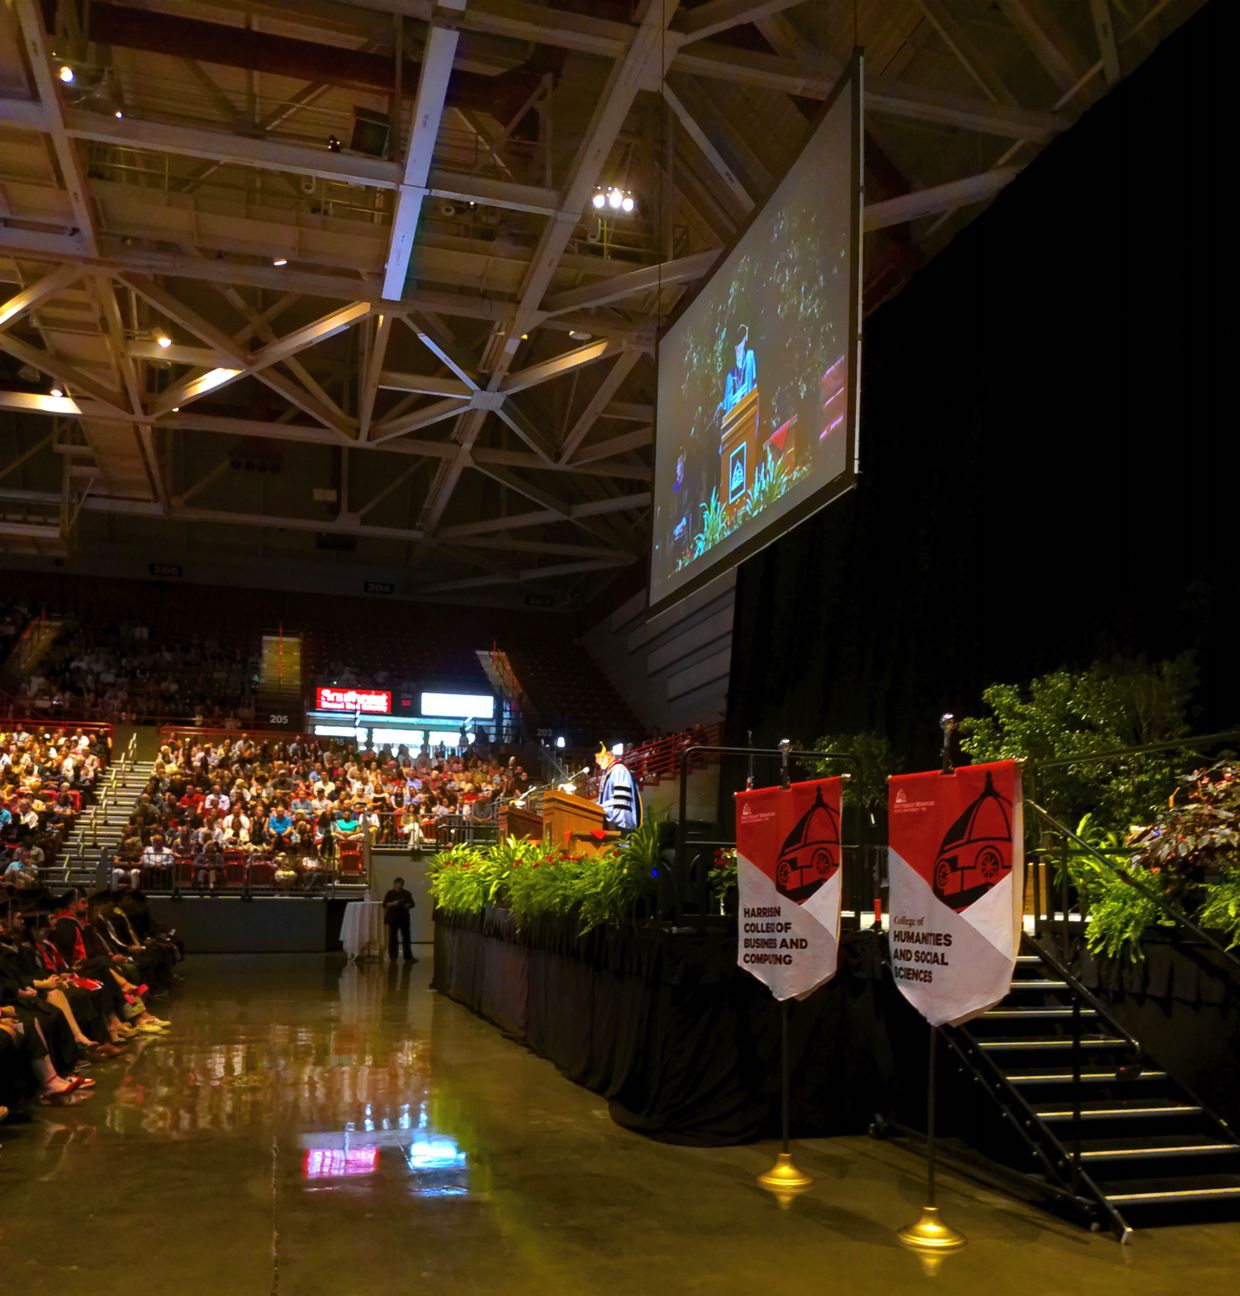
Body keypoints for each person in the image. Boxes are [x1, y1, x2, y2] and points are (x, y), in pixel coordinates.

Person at [594, 742, 642, 834]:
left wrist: (599, 808)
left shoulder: (619, 770)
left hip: (620, 825)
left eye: (600, 758)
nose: (598, 762)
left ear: (608, 755)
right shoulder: (608, 772)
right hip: (611, 822)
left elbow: (620, 802)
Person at [382, 877, 416, 963]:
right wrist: (394, 903)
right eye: (398, 885)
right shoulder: (390, 893)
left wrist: (407, 905)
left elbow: (412, 904)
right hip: (393, 917)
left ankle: (408, 956)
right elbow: (385, 904)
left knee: (406, 937)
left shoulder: (407, 893)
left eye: (401, 885)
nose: (399, 886)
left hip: (404, 917)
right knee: (393, 937)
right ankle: (393, 956)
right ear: (394, 884)